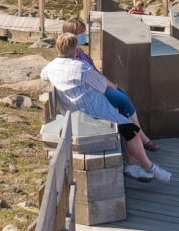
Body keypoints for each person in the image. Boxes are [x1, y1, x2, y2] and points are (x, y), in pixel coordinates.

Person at [41, 33, 169, 182]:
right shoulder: (82, 68)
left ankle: (133, 165)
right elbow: (102, 87)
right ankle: (149, 167)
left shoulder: (50, 67)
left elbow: (43, 75)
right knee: (131, 129)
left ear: (58, 49)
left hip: (72, 113)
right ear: (76, 51)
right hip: (91, 113)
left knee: (124, 122)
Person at [64, 18, 159, 152]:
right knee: (123, 100)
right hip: (92, 92)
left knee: (122, 97)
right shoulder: (73, 57)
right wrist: (107, 85)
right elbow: (88, 78)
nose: (84, 34)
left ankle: (135, 139)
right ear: (71, 34)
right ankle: (142, 139)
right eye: (81, 32)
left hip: (97, 87)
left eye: (84, 31)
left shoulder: (80, 52)